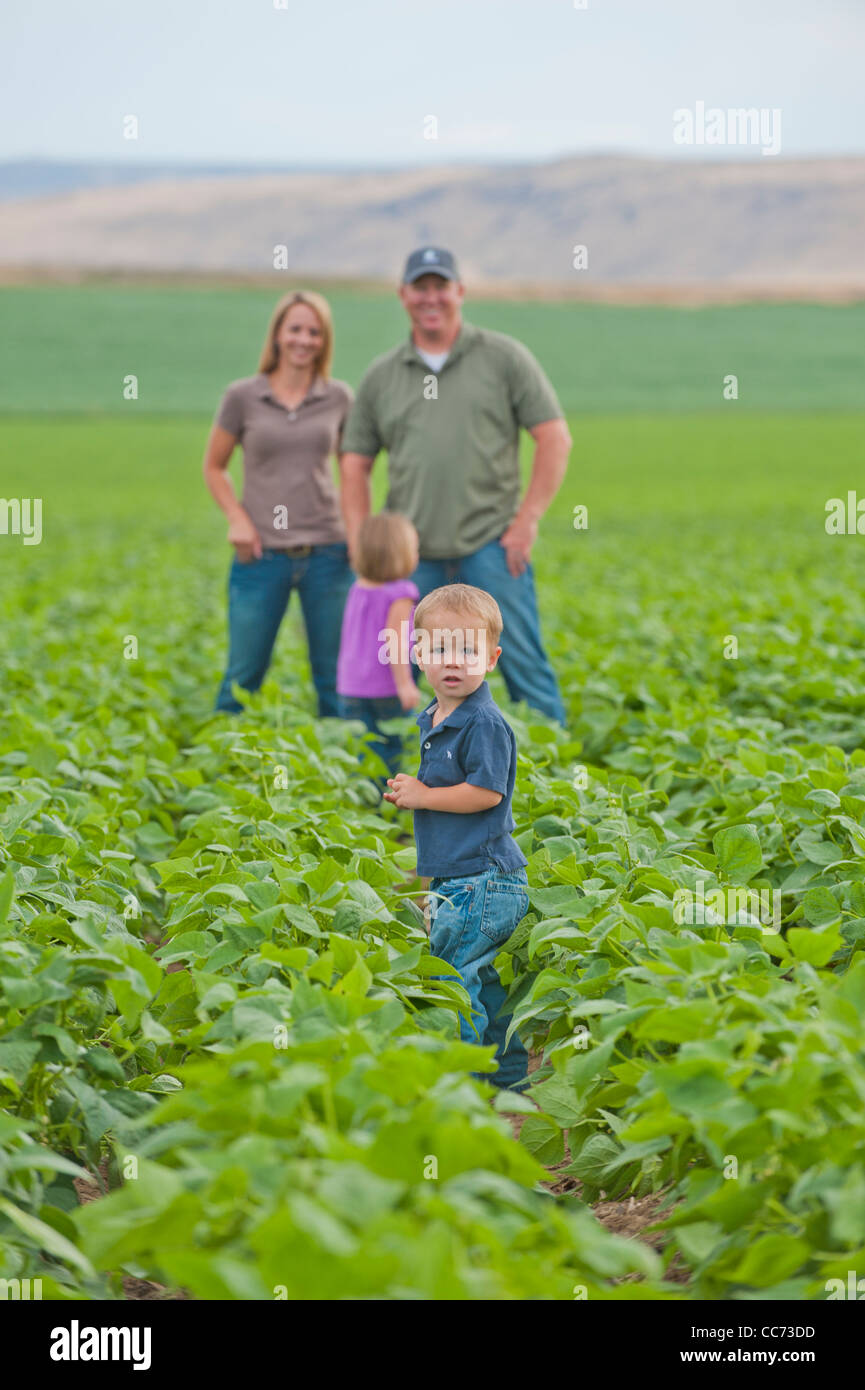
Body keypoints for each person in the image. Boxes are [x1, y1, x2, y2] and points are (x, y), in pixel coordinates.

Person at [340, 246, 571, 727]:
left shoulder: (503, 358)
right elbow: (354, 462)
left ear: (460, 292)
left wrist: (526, 521)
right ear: (403, 295)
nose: (431, 298)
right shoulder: (383, 375)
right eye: (420, 288)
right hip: (410, 559)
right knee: (397, 669)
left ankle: (554, 772)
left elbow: (553, 437)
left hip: (491, 546)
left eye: (440, 287)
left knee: (522, 662)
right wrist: (364, 545)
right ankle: (402, 778)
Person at [383, 583, 531, 1092]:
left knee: (452, 983)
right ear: (418, 654)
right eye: (441, 648)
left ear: (491, 659)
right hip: (461, 878)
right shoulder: (437, 717)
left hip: (484, 881)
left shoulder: (484, 722)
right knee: (482, 985)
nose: (454, 661)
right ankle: (508, 1082)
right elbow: (441, 809)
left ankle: (462, 1090)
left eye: (468, 649)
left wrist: (422, 796)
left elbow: (486, 794)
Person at [203, 290, 354, 716]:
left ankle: (340, 771)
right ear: (277, 335)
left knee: (334, 677)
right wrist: (237, 518)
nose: (304, 339)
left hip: (329, 552)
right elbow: (215, 466)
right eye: (295, 329)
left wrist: (356, 533)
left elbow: (352, 471)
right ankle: (227, 764)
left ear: (324, 341)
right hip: (260, 553)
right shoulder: (242, 396)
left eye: (314, 332)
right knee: (243, 675)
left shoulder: (339, 397)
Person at [336, 511, 422, 789]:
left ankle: (366, 803)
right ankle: (389, 803)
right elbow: (396, 642)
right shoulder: (400, 593)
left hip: (351, 686)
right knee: (391, 750)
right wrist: (405, 684)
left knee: (365, 750)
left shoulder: (357, 587)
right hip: (386, 688)